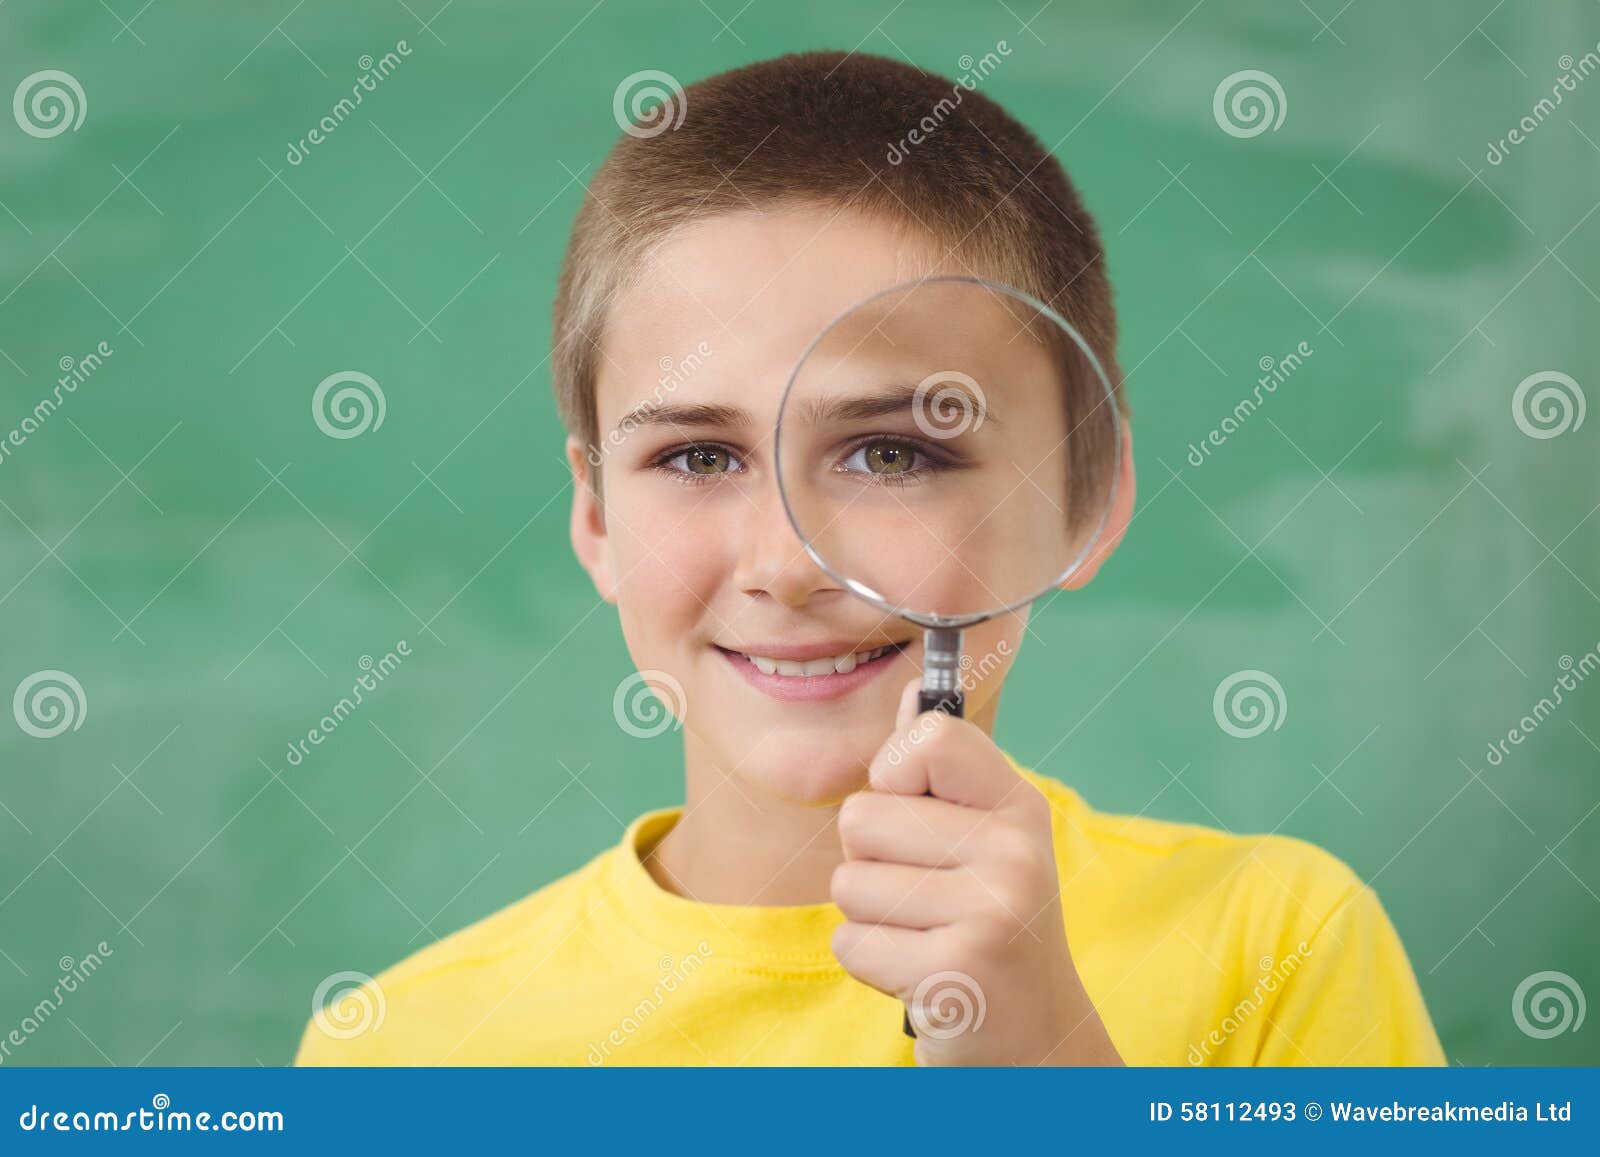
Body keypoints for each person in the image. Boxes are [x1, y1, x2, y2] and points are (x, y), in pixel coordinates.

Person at [296, 50, 1444, 1066]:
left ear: (1088, 498)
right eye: (696, 457)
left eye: (892, 451)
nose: (787, 562)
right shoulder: (404, 1052)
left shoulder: (1276, 946)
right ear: (595, 519)